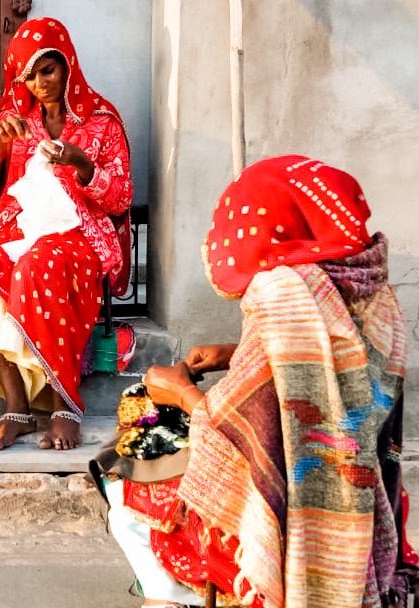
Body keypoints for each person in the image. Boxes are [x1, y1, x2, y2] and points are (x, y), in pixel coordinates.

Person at [101, 156, 415, 607]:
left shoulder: (284, 293)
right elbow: (334, 364)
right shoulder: (364, 280)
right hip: (365, 490)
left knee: (128, 482)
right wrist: (236, 353)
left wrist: (180, 390)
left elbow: (232, 429)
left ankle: (169, 597)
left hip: (295, 506)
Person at [0, 18, 133, 451]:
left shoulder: (101, 122)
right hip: (17, 227)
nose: (40, 83)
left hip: (80, 230)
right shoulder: (12, 121)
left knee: (41, 261)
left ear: (67, 64)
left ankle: (63, 406)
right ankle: (16, 409)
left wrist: (84, 166)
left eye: (48, 70)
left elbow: (121, 198)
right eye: (29, 76)